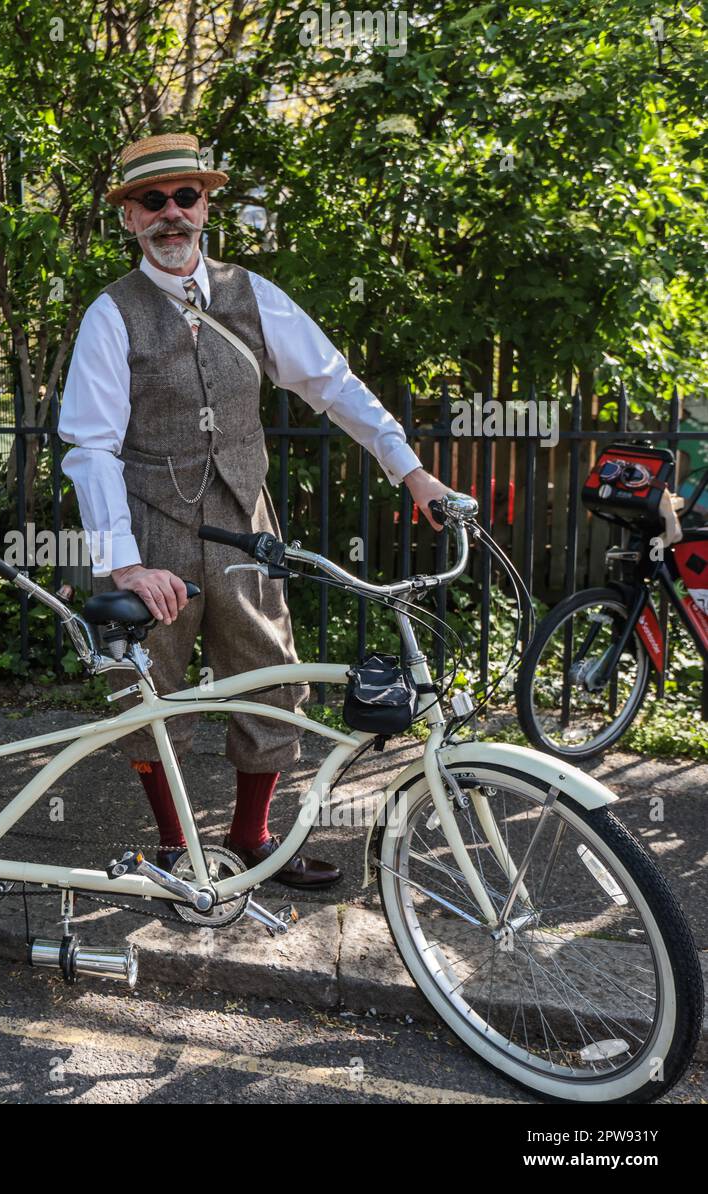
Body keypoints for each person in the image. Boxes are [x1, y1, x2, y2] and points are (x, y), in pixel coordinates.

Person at [58, 133, 448, 888]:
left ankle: (255, 838)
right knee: (145, 689)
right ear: (129, 217)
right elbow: (90, 446)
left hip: (245, 523)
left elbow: (332, 383)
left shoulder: (251, 294)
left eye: (185, 197)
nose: (171, 214)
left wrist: (411, 470)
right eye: (152, 201)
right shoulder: (112, 313)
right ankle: (177, 848)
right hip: (149, 527)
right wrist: (123, 563)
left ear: (206, 206)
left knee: (271, 676)